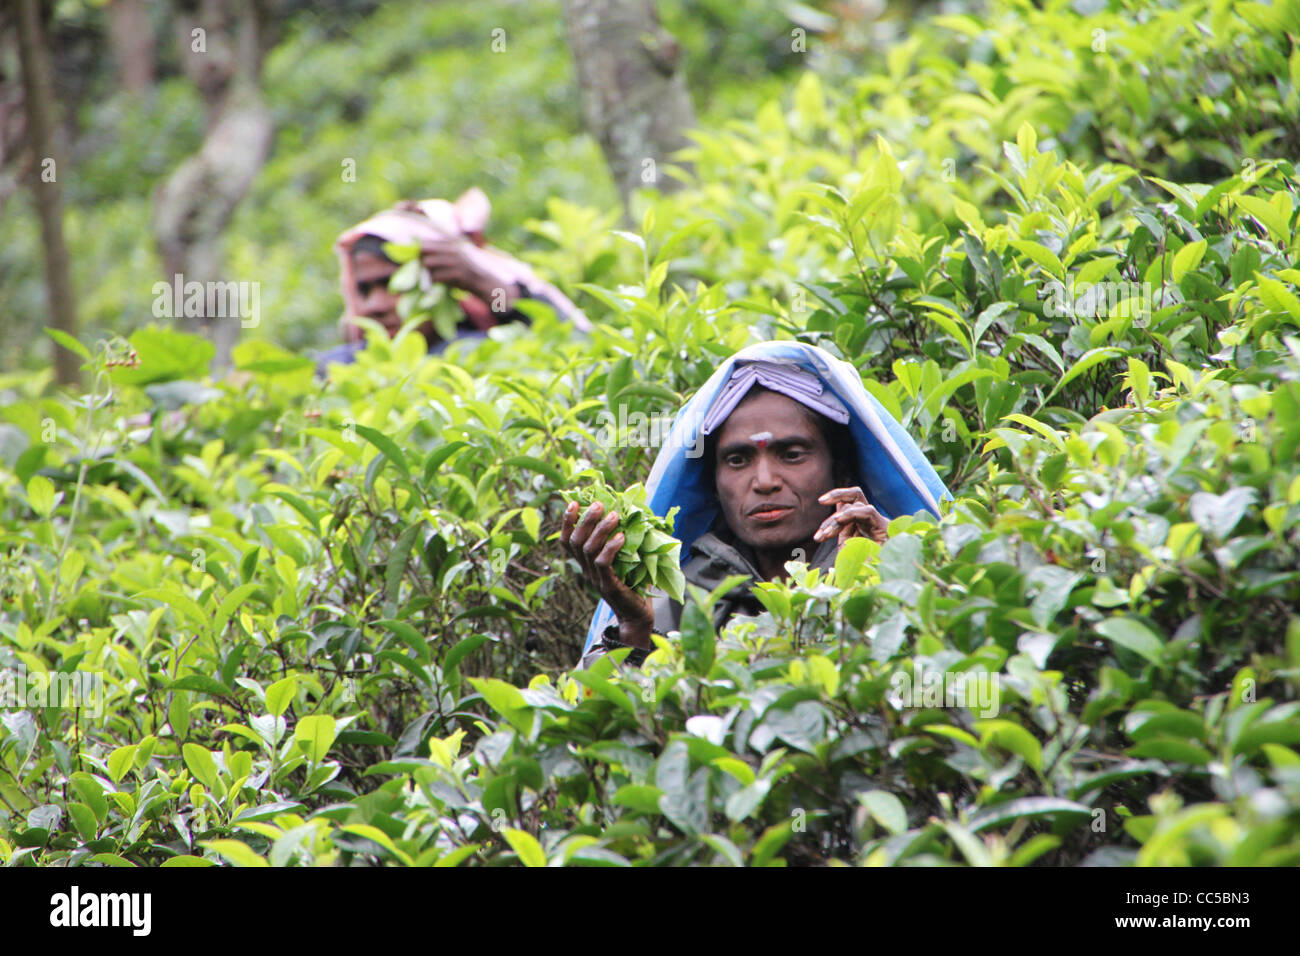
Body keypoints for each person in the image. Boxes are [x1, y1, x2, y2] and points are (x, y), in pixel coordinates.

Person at [561, 341, 951, 667]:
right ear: (713, 485)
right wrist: (632, 626)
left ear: (843, 472)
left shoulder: (892, 568)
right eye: (737, 460)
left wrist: (898, 578)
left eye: (793, 454)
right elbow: (625, 730)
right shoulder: (685, 597)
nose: (764, 482)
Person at [317, 188, 591, 375]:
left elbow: (582, 352)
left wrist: (482, 282)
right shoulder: (340, 368)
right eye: (364, 290)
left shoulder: (480, 352)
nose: (373, 307)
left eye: (393, 285)